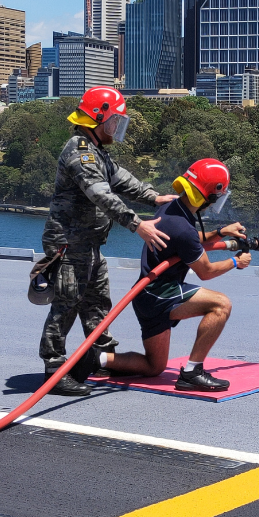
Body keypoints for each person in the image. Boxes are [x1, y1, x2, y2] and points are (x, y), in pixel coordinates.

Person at [39, 86, 179, 396]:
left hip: (88, 243)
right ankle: (54, 367)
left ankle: (101, 355)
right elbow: (100, 194)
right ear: (98, 118)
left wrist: (154, 197)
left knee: (97, 302)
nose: (116, 127)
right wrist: (136, 224)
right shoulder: (80, 152)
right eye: (114, 121)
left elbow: (120, 178)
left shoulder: (97, 151)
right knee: (67, 304)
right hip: (69, 243)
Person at [74, 158, 251, 391]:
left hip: (146, 296)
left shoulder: (173, 208)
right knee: (221, 305)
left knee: (154, 366)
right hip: (162, 294)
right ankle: (192, 373)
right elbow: (206, 271)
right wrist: (236, 262)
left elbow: (189, 241)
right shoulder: (184, 228)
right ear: (210, 195)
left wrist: (220, 232)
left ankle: (97, 359)